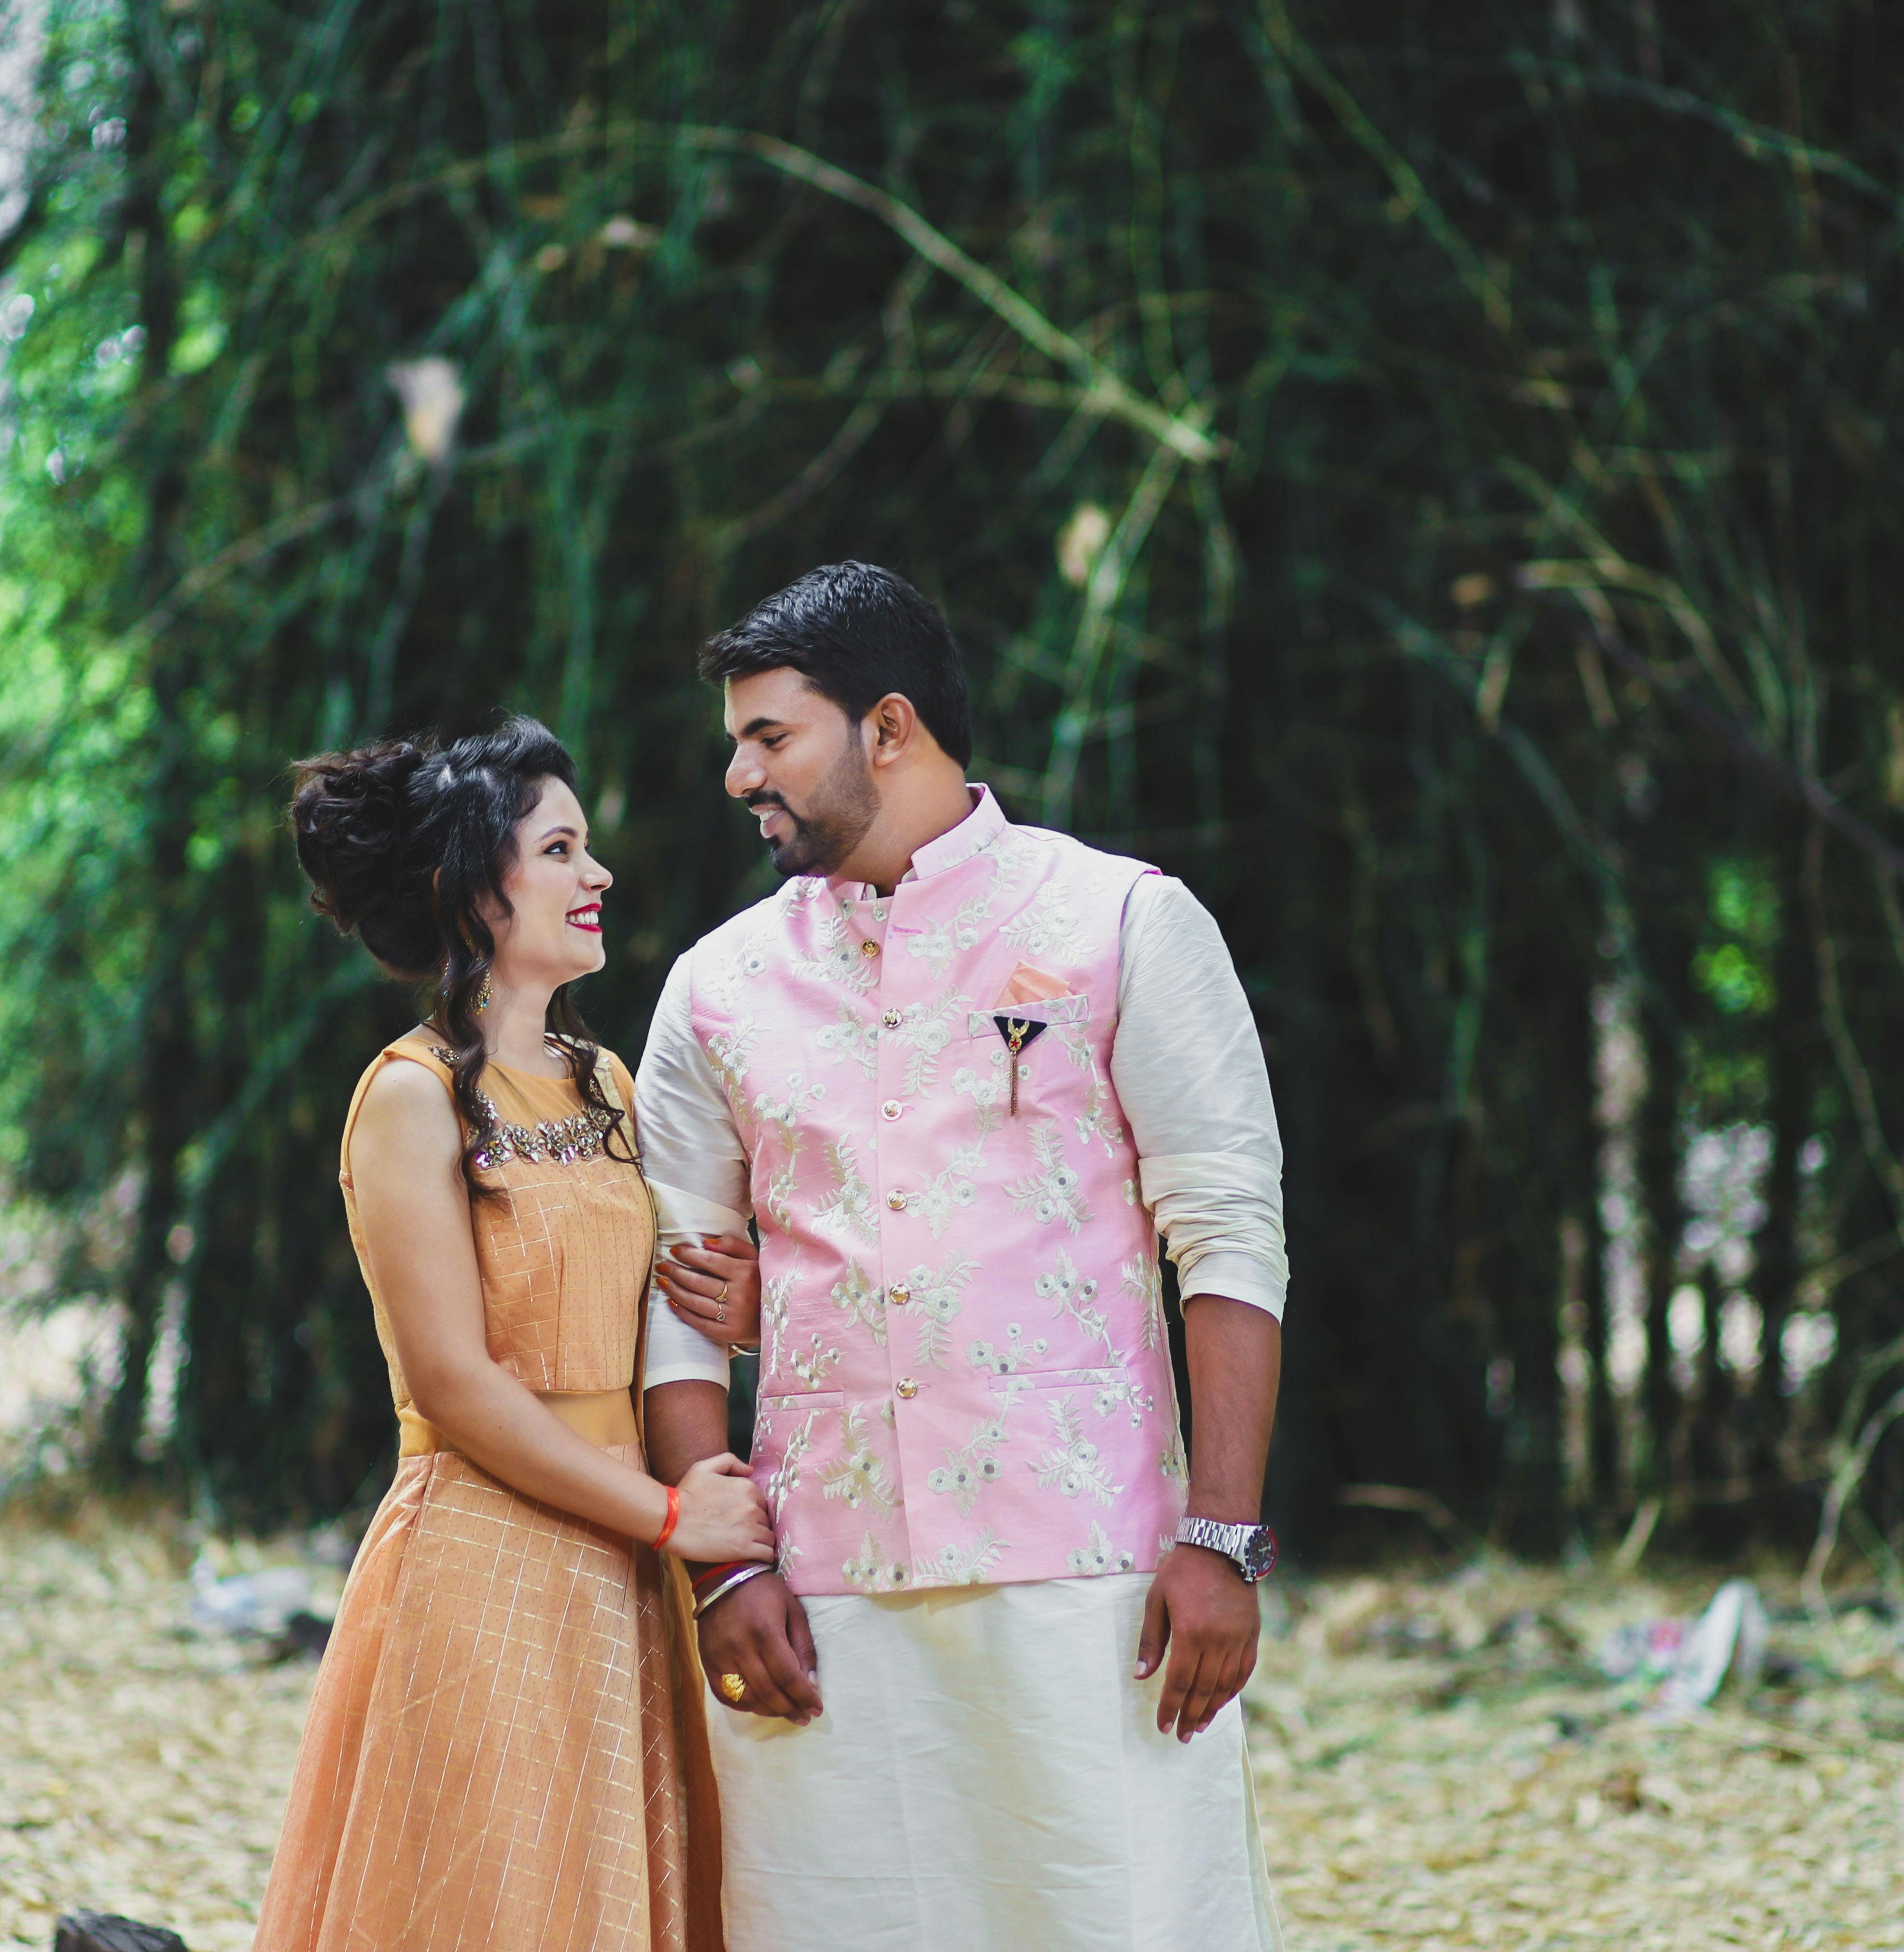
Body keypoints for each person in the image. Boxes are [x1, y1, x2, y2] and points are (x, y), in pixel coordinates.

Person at [638, 562, 1290, 1951]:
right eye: (736, 743)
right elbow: (675, 1299)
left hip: (1089, 1571)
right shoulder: (716, 988)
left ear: (889, 726)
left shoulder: (1121, 921)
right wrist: (725, 1574)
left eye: (770, 737)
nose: (740, 776)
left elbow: (1228, 1233)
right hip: (818, 1594)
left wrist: (1222, 1535)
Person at [255, 716, 767, 1952]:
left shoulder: (607, 1083)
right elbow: (455, 1382)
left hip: (623, 1570)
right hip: (484, 1558)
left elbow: (656, 1308)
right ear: (472, 889)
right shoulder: (410, 1095)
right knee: (497, 1902)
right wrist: (667, 1514)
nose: (599, 875)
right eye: (559, 850)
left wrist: (752, 1314)